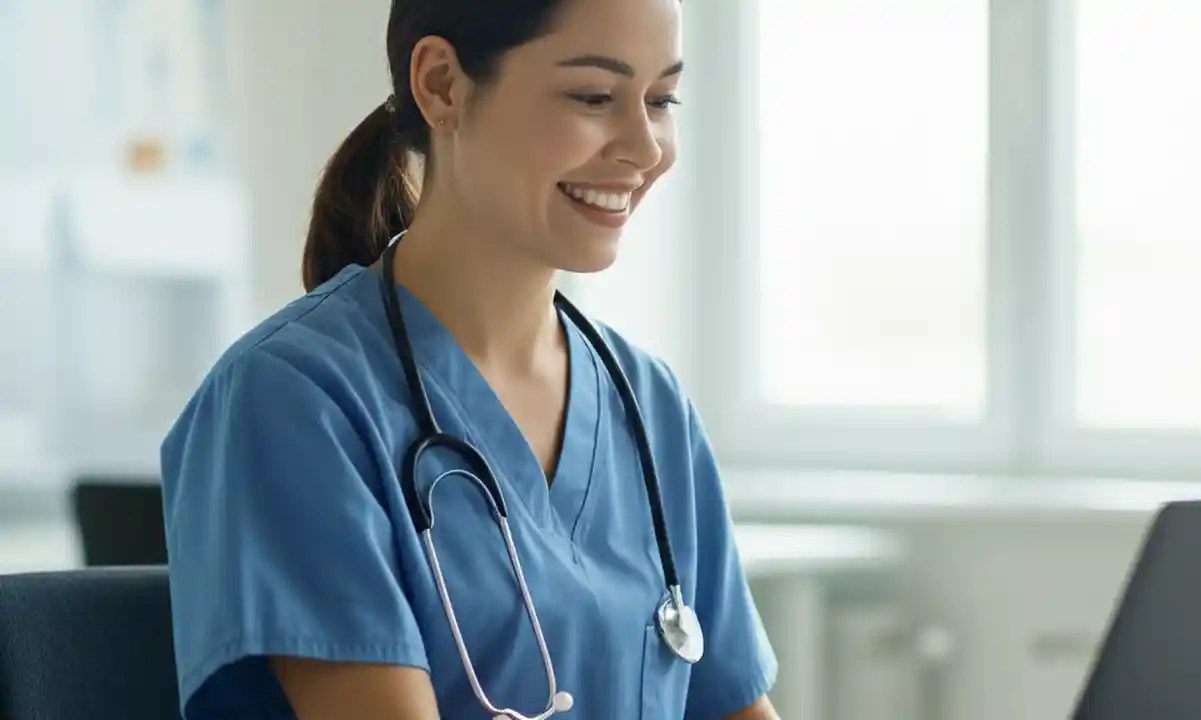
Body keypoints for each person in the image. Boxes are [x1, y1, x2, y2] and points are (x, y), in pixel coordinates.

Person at [159, 0, 779, 717]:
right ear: (443, 86)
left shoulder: (648, 405)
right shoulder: (293, 400)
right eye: (594, 97)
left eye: (661, 99)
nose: (646, 147)